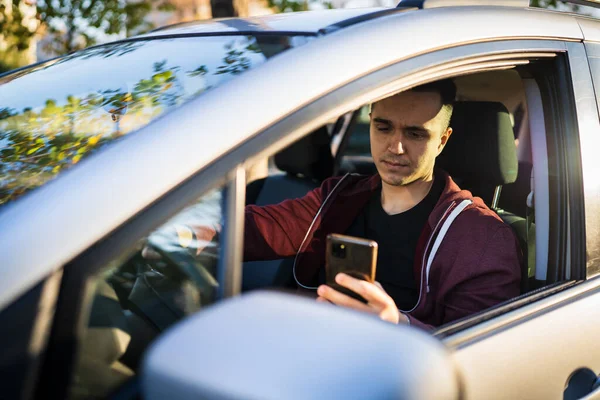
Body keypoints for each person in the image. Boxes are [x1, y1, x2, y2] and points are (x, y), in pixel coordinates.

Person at [148, 79, 521, 330]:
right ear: (370, 122)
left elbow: (478, 351)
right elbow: (260, 228)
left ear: (443, 141)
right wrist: (177, 230)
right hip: (311, 348)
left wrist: (397, 326)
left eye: (415, 133)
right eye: (384, 126)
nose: (396, 147)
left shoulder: (482, 236)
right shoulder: (341, 194)